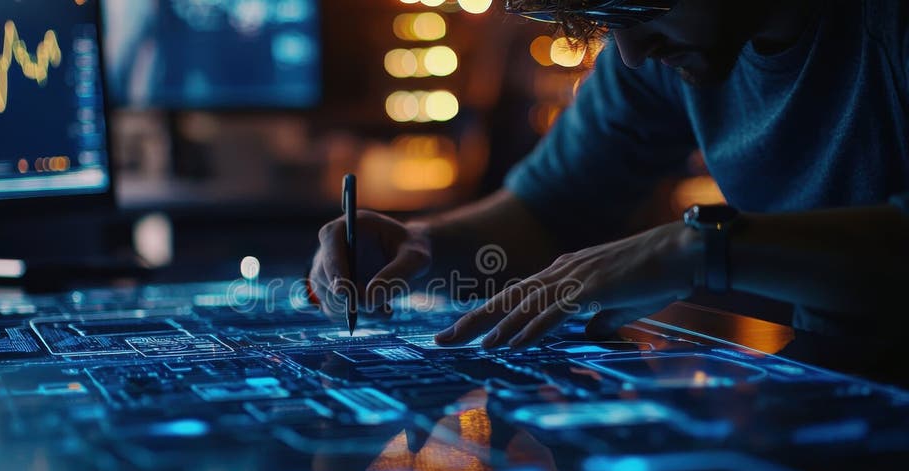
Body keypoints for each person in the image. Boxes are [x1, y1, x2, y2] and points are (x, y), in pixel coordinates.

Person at [309, 0, 909, 350]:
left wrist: (702, 247)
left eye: (638, 6)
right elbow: (546, 213)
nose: (631, 53)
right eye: (603, 17)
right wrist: (421, 246)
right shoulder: (659, 50)